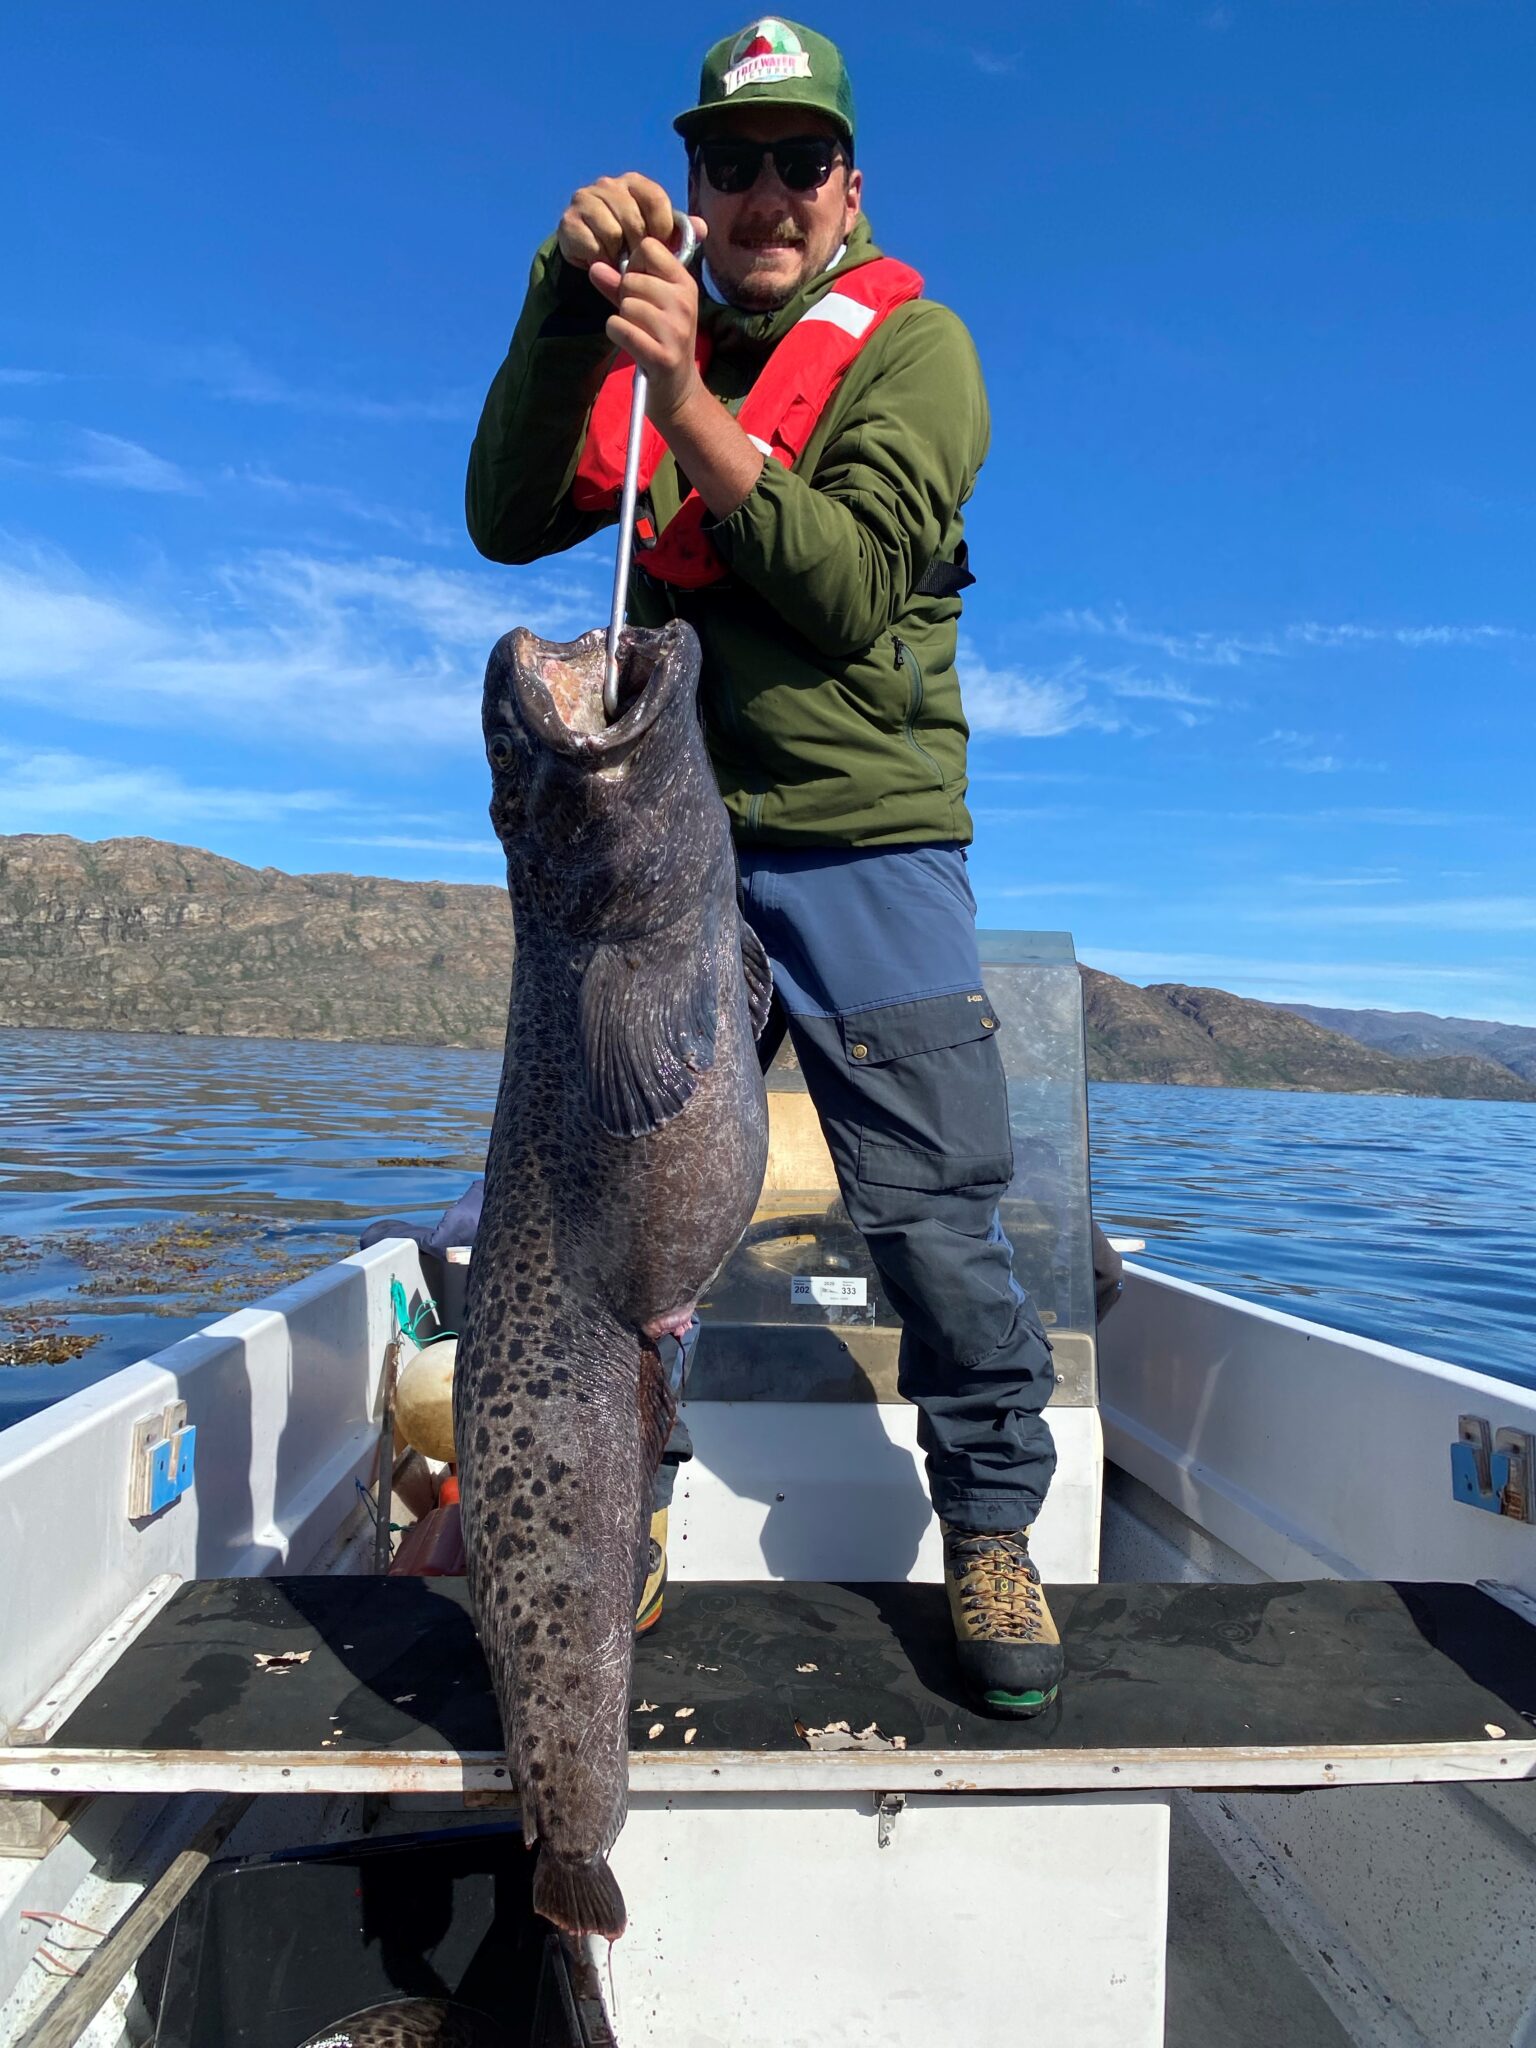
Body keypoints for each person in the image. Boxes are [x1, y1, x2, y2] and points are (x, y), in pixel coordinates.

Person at [465, 19, 1063, 1716]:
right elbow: (510, 516)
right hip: (673, 861)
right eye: (732, 165)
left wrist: (689, 401)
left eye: (802, 163)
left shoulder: (917, 349)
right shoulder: (656, 328)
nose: (764, 196)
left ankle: (996, 1531)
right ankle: (622, 1516)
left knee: (932, 1216)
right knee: (628, 1223)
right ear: (703, 184)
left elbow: (852, 584)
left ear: (848, 184)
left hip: (865, 840)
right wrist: (557, 299)